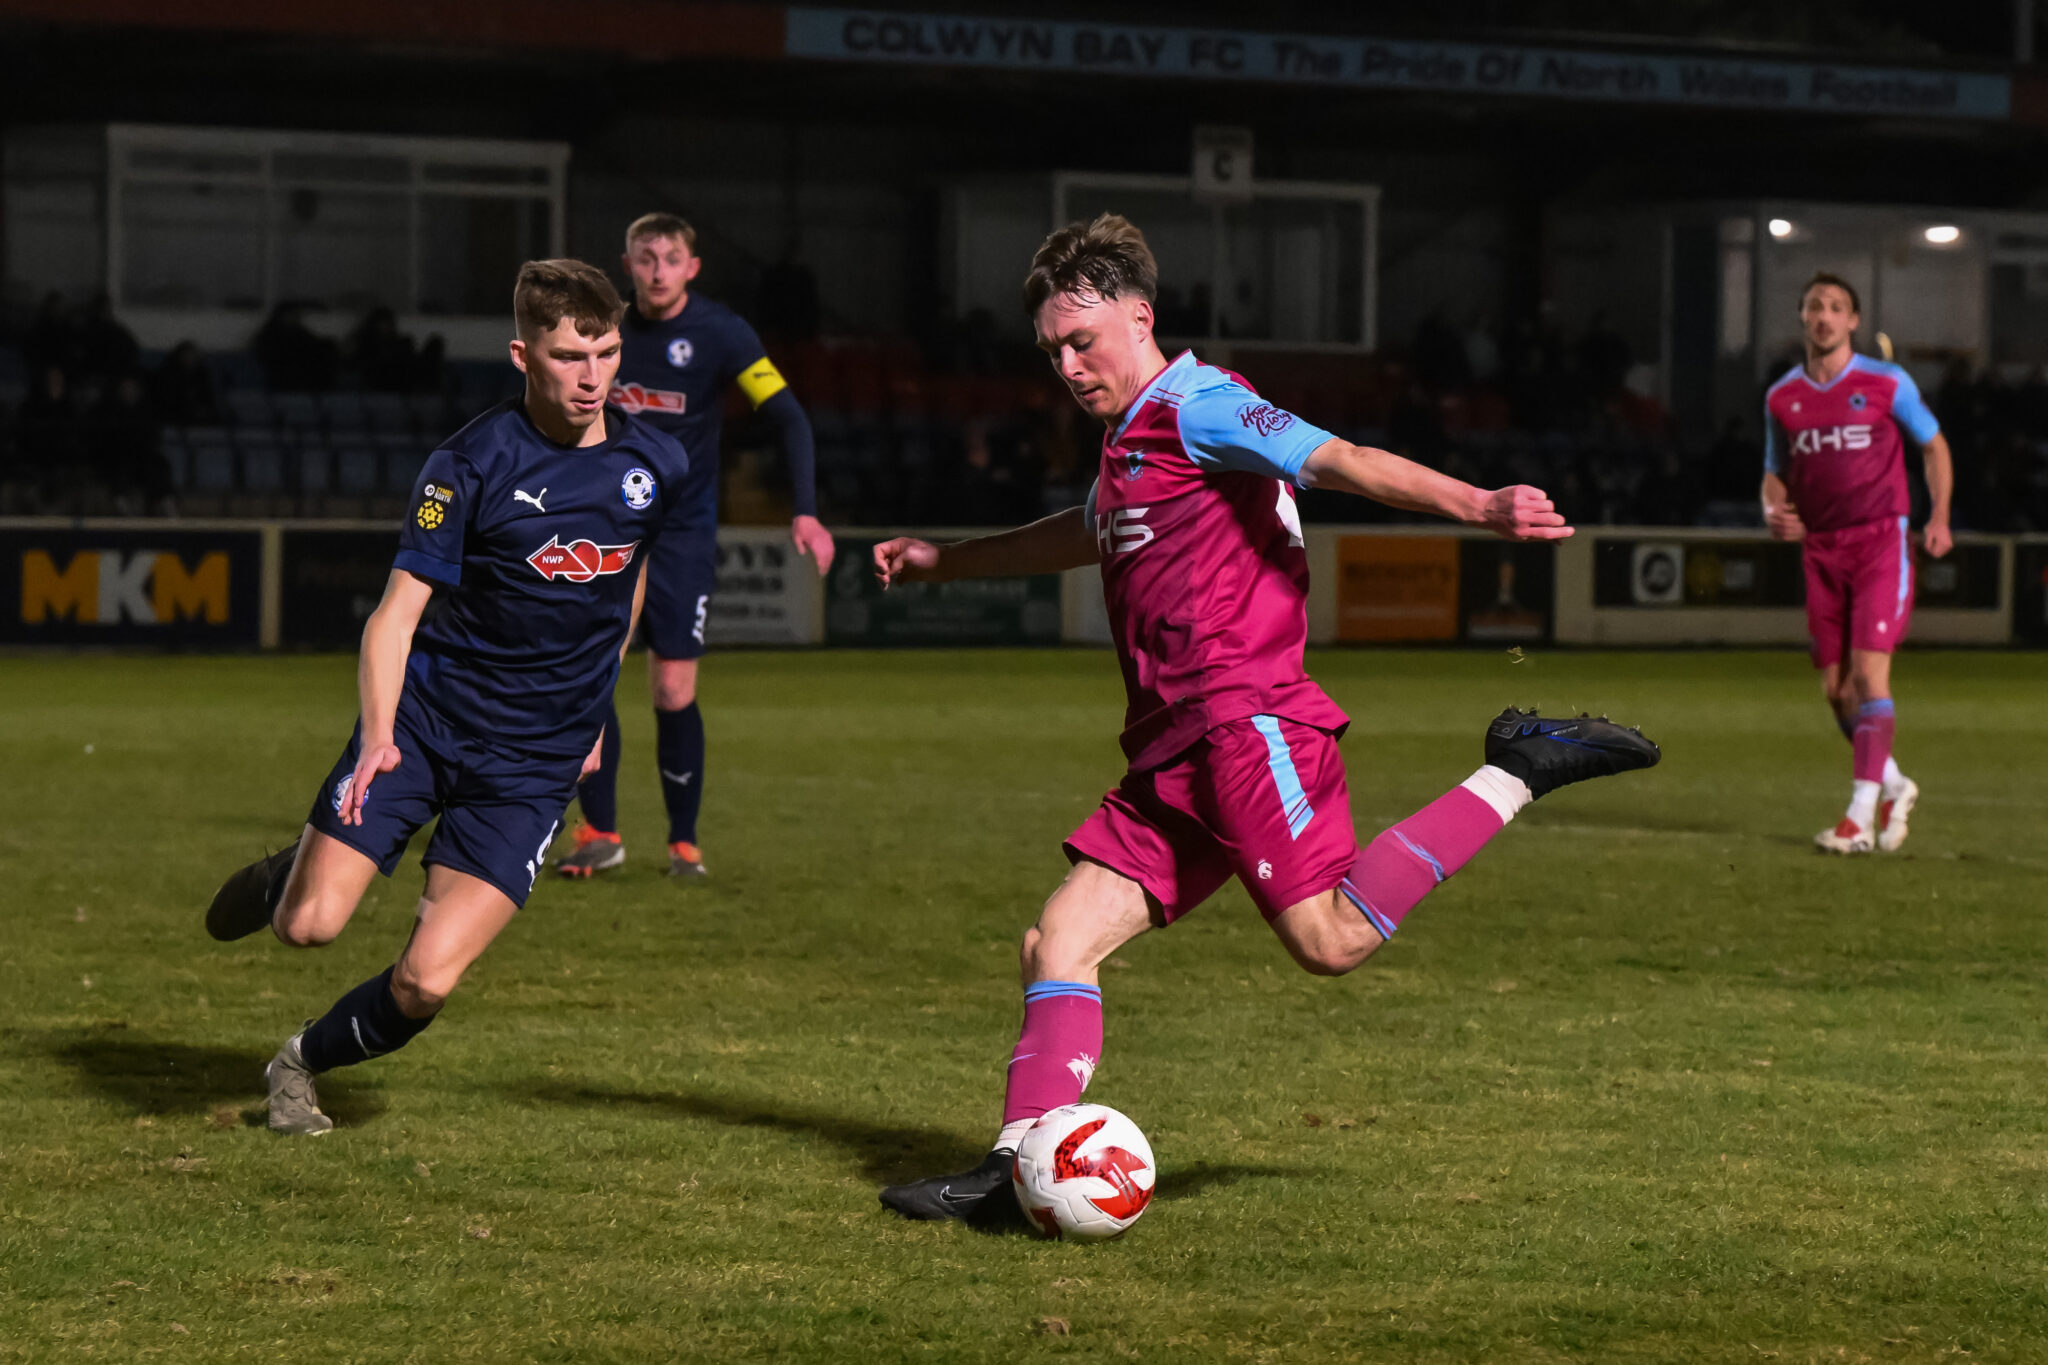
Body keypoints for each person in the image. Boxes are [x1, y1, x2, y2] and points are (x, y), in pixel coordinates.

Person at [870, 215, 1662, 1223]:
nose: (1067, 367)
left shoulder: (1199, 402)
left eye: (1083, 342)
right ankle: (1010, 1168)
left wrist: (1476, 505)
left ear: (1138, 317)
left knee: (1328, 941)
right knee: (1057, 938)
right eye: (1052, 352)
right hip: (1169, 750)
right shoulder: (1127, 442)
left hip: (1245, 725)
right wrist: (950, 559)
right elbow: (1082, 534)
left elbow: (1335, 460)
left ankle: (1521, 766)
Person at [202, 259, 692, 1136]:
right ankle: (296, 868)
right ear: (521, 354)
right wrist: (380, 736)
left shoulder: (657, 461)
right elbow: (392, 620)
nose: (592, 376)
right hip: (425, 727)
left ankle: (298, 1062)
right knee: (308, 926)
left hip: (533, 765)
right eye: (569, 355)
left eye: (608, 352)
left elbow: (628, 583)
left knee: (425, 981)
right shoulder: (467, 464)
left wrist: (593, 711)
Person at [555, 212, 834, 880]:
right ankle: (600, 831)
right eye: (644, 258)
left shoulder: (722, 333)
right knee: (589, 674)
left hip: (682, 530)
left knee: (674, 686)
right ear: (626, 265)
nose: (656, 270)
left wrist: (806, 510)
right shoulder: (602, 329)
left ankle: (683, 842)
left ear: (692, 268)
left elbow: (789, 416)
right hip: (607, 527)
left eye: (669, 258)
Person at [1761, 272, 1952, 855]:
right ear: (1802, 317)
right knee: (1837, 691)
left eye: (1836, 307)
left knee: (1870, 677)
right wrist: (1772, 509)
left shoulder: (1886, 381)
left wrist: (1939, 515)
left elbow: (1934, 446)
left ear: (1852, 322)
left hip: (1879, 542)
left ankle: (1858, 819)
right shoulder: (1781, 397)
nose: (1824, 316)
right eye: (1815, 306)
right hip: (1820, 548)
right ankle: (1893, 783)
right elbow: (1775, 471)